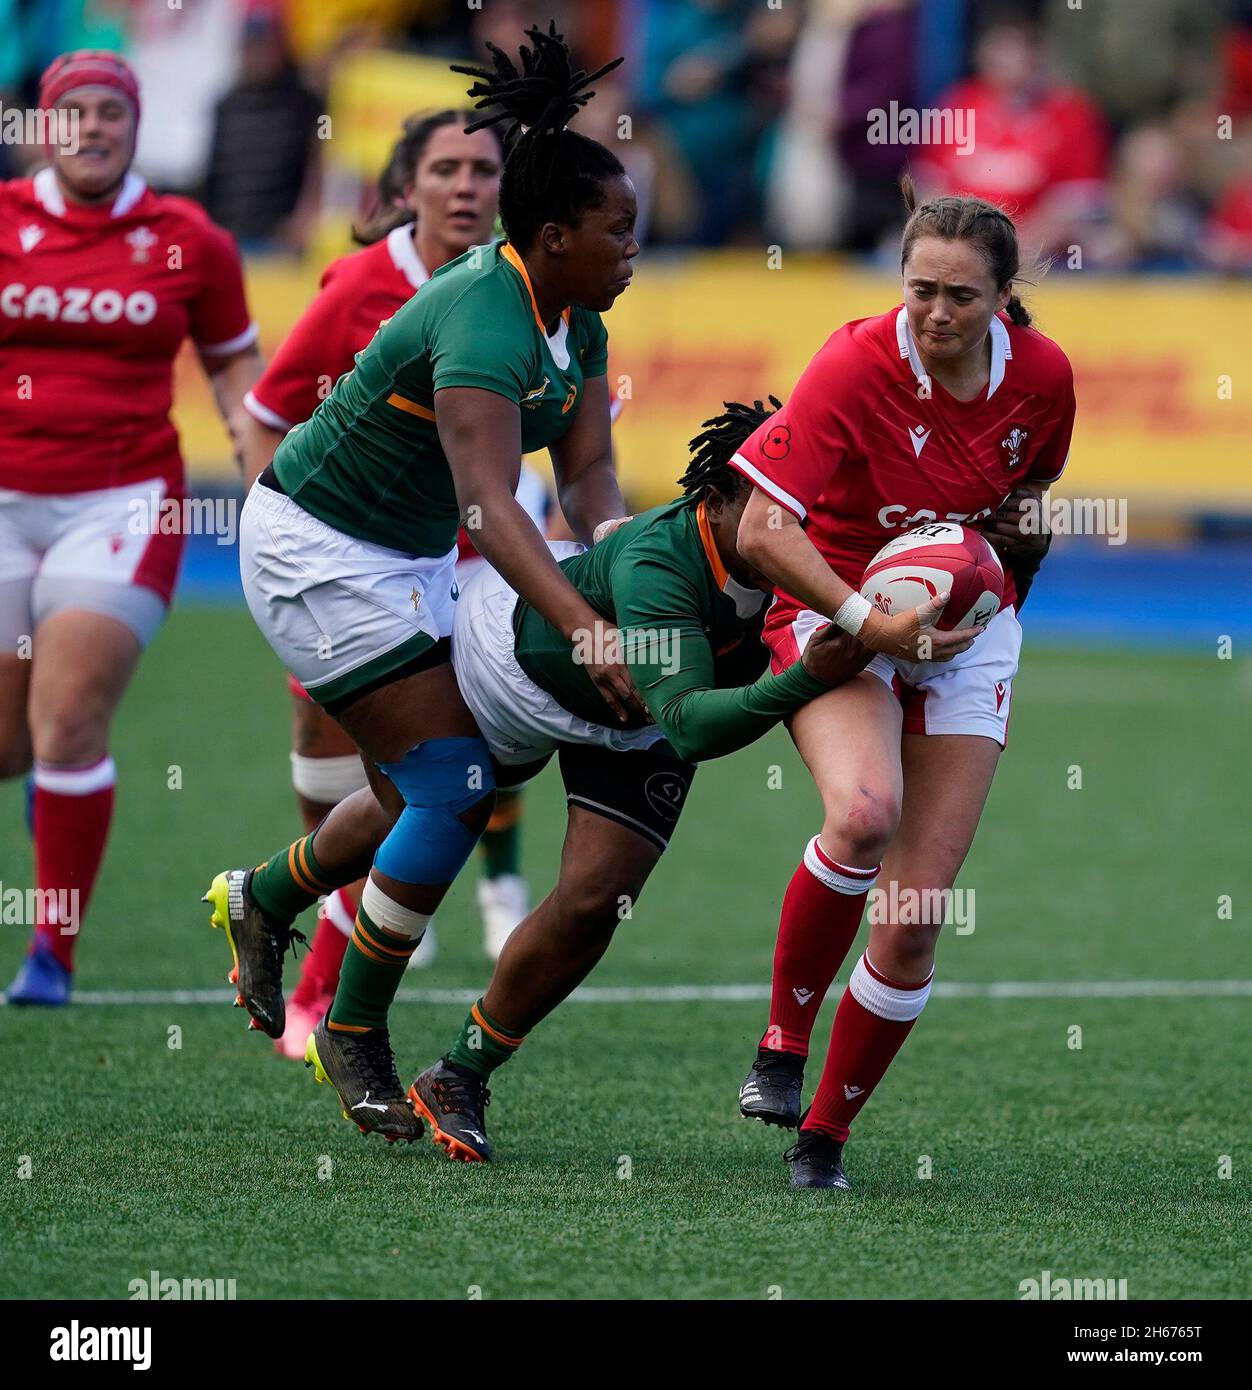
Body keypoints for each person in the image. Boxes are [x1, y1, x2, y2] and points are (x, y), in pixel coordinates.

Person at [204, 22, 641, 1142]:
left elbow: (586, 473)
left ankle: (268, 894)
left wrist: (624, 561)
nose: (633, 251)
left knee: (422, 788)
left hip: (399, 555)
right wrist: (588, 625)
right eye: (617, 232)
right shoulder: (484, 320)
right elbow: (492, 511)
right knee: (452, 783)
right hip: (314, 548)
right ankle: (353, 1030)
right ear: (550, 237)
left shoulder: (573, 316)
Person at [399, 397, 875, 1162]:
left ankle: (458, 1073)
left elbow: (676, 716)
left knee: (596, 898)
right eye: (770, 498)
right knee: (416, 813)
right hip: (523, 668)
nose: (791, 517)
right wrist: (805, 679)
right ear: (717, 500)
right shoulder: (663, 557)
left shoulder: (803, 553)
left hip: (640, 708)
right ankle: (308, 948)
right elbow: (690, 723)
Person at [730, 178, 1073, 1189]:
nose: (933, 312)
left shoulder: (1044, 378)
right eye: (920, 288)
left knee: (917, 908)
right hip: (838, 609)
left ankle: (823, 1141)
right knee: (866, 812)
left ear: (1003, 299)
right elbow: (760, 530)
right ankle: (781, 1046)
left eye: (960, 296)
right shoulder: (852, 361)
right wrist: (866, 620)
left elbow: (1026, 500)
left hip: (964, 635)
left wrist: (998, 571)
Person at [233, 109, 524, 1059]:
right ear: (408, 187)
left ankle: (329, 996)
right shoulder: (360, 285)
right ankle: (313, 965)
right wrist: (295, 549)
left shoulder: (525, 289)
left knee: (447, 774)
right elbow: (269, 415)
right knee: (363, 787)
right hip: (343, 568)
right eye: (447, 168)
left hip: (467, 560)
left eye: (486, 169)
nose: (469, 186)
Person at [0, 51, 261, 1005]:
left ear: (136, 126)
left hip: (121, 503)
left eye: (112, 112)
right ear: (44, 127)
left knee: (69, 721)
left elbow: (238, 374)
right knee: (10, 747)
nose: (94, 129)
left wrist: (260, 469)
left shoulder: (189, 237)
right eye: (75, 114)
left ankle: (51, 956)